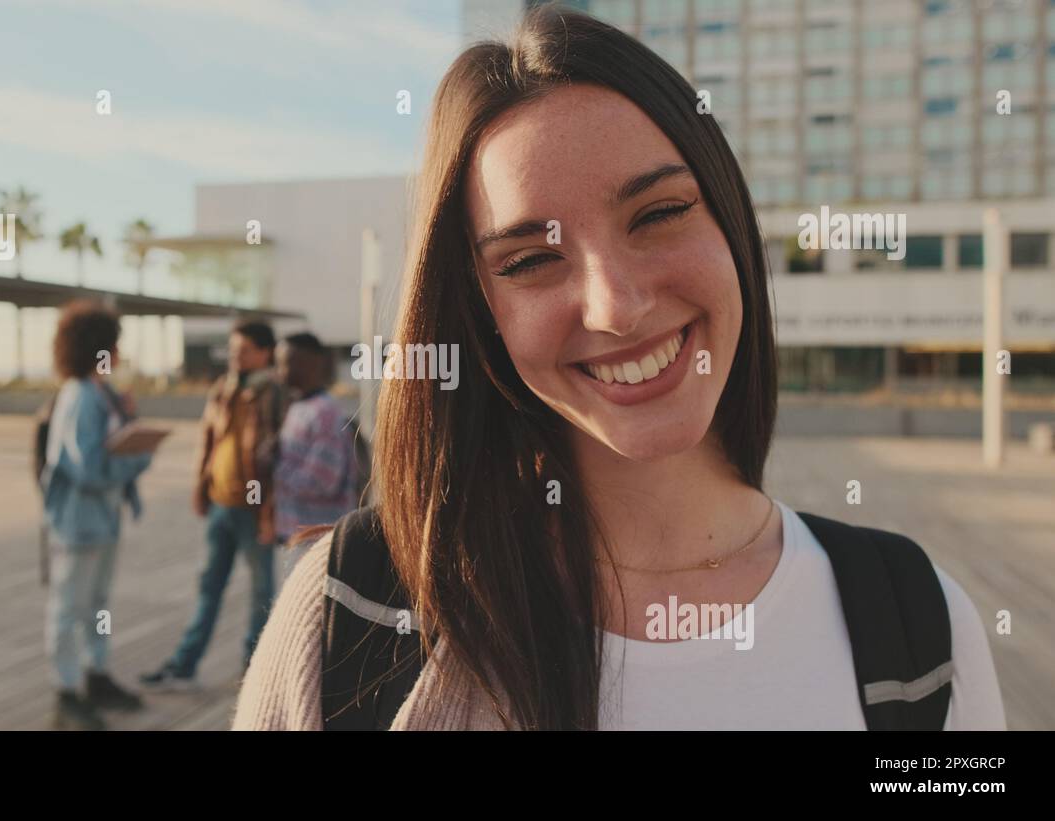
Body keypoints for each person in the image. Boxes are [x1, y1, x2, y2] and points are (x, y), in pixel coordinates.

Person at [232, 7, 1005, 730]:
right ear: (481, 317)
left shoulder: (916, 630)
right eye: (532, 260)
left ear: (731, 220)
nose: (617, 308)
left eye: (660, 213)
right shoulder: (355, 608)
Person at [141, 320, 284, 689]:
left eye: (244, 350)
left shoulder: (276, 394)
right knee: (208, 587)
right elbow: (208, 440)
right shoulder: (223, 389)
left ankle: (255, 670)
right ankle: (183, 665)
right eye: (233, 350)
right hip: (221, 504)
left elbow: (280, 461)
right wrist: (199, 487)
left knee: (261, 593)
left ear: (264, 352)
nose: (236, 356)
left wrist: (270, 514)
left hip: (255, 511)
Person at [40, 300, 152, 731]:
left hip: (101, 520)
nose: (118, 354)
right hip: (78, 523)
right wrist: (136, 458)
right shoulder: (81, 397)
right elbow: (87, 466)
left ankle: (95, 673)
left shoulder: (99, 394)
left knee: (96, 603)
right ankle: (67, 691)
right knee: (69, 606)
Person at [272, 332, 360, 592]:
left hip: (318, 546)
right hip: (297, 540)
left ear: (306, 364)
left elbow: (322, 483)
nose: (278, 371)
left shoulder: (325, 413)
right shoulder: (299, 406)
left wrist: (275, 465)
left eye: (283, 363)